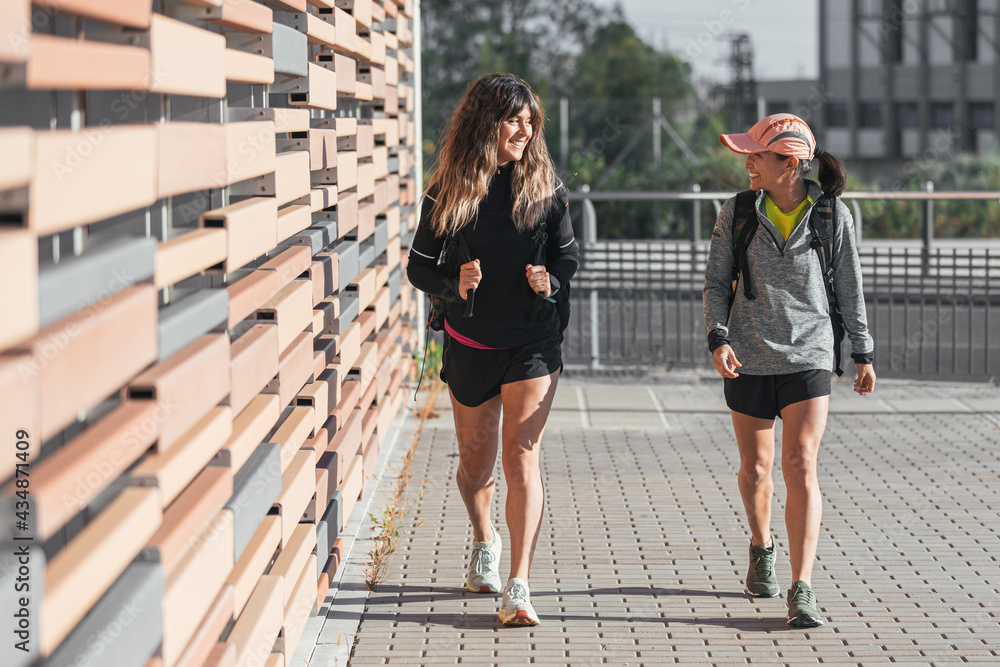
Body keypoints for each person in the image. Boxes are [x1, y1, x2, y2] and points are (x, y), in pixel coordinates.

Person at [406, 73, 579, 627]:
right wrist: (453, 282)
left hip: (532, 342)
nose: (525, 131)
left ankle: (519, 584)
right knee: (475, 467)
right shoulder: (448, 191)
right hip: (471, 342)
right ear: (487, 123)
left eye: (531, 122)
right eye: (514, 120)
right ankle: (485, 538)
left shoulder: (545, 188)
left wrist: (547, 282)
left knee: (520, 455)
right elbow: (417, 267)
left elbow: (569, 261)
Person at [703, 113, 876, 628]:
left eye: (757, 155)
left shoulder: (830, 216)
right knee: (756, 470)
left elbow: (849, 287)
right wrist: (718, 337)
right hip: (749, 355)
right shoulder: (734, 212)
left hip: (809, 354)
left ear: (791, 163)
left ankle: (802, 587)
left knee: (800, 463)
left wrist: (862, 351)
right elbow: (716, 283)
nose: (748, 163)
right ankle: (762, 547)